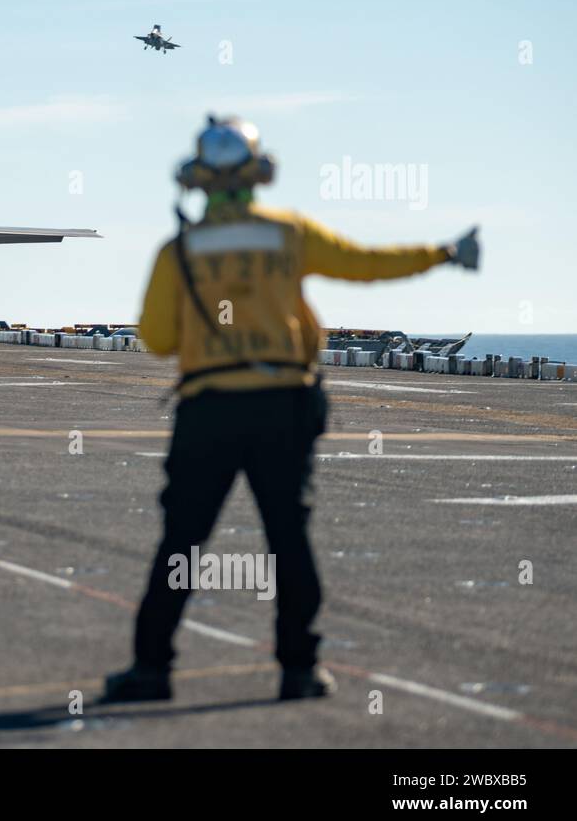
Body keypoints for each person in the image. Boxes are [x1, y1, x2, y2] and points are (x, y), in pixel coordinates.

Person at [103, 117, 479, 702]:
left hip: (209, 412)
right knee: (289, 540)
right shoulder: (289, 234)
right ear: (258, 175)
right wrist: (444, 252)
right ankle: (300, 669)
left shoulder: (180, 250)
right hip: (283, 407)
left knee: (181, 541)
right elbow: (366, 263)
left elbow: (155, 337)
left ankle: (152, 670)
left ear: (198, 181)